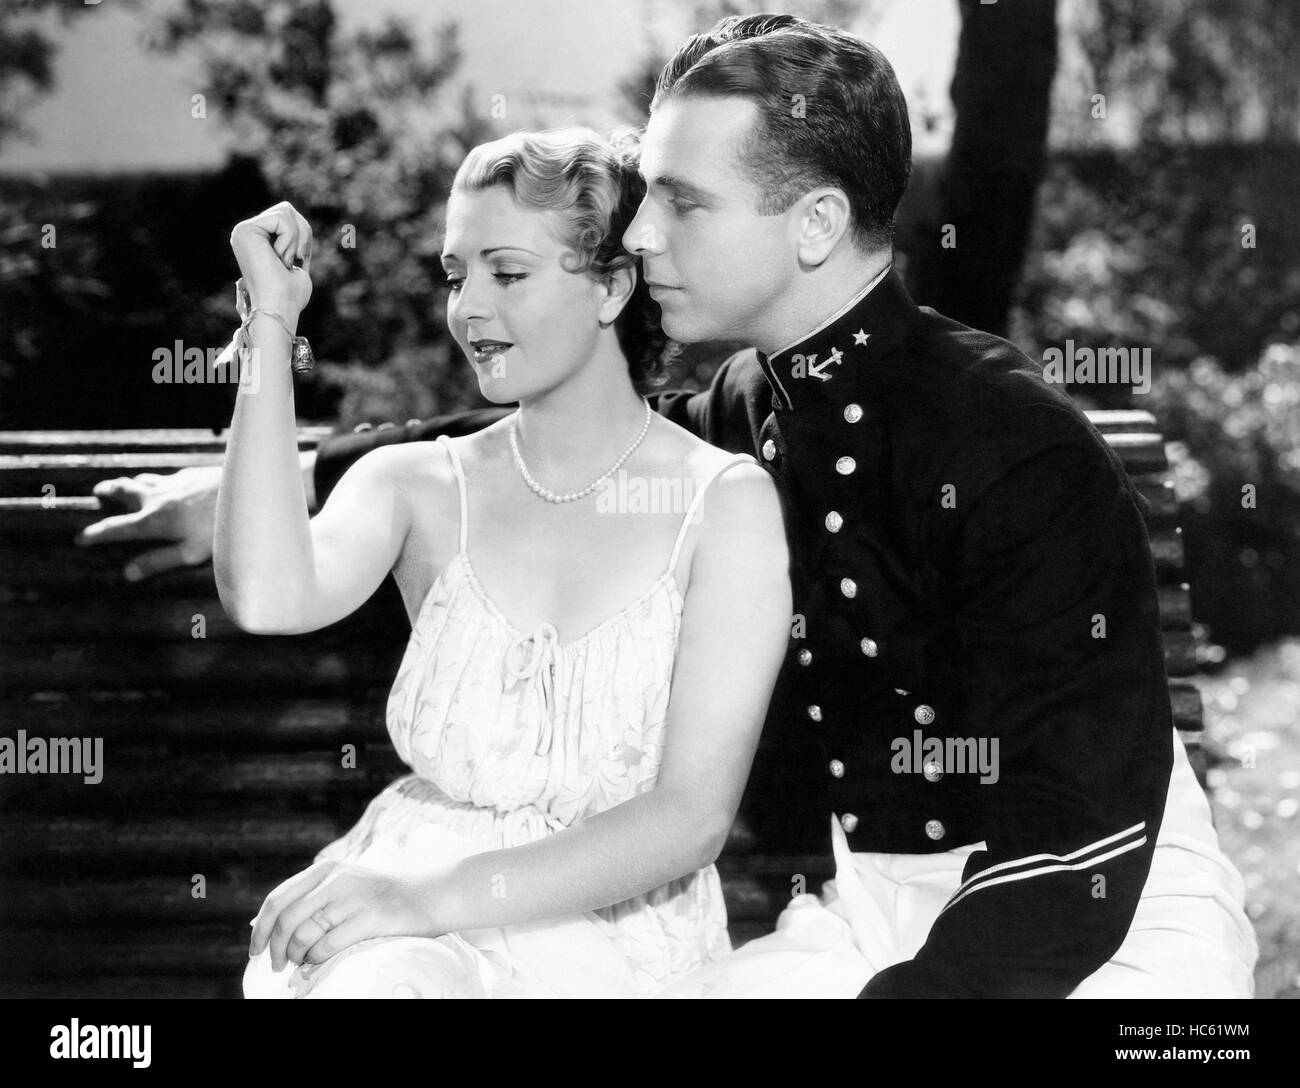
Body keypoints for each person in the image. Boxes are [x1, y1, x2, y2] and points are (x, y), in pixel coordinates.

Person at [80, 14, 1256, 997]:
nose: (638, 234)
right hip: (865, 905)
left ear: (811, 226)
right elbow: (532, 448)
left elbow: (1077, 842)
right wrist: (288, 479)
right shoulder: (745, 406)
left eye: (682, 203)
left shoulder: (1020, 447)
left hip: (1103, 921)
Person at [214, 127, 791, 998]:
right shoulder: (414, 485)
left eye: (506, 273)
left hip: (614, 929)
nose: (468, 308)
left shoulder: (723, 503)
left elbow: (689, 821)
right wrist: (270, 323)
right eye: (456, 275)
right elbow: (264, 595)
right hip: (408, 911)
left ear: (610, 285)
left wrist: (428, 901)